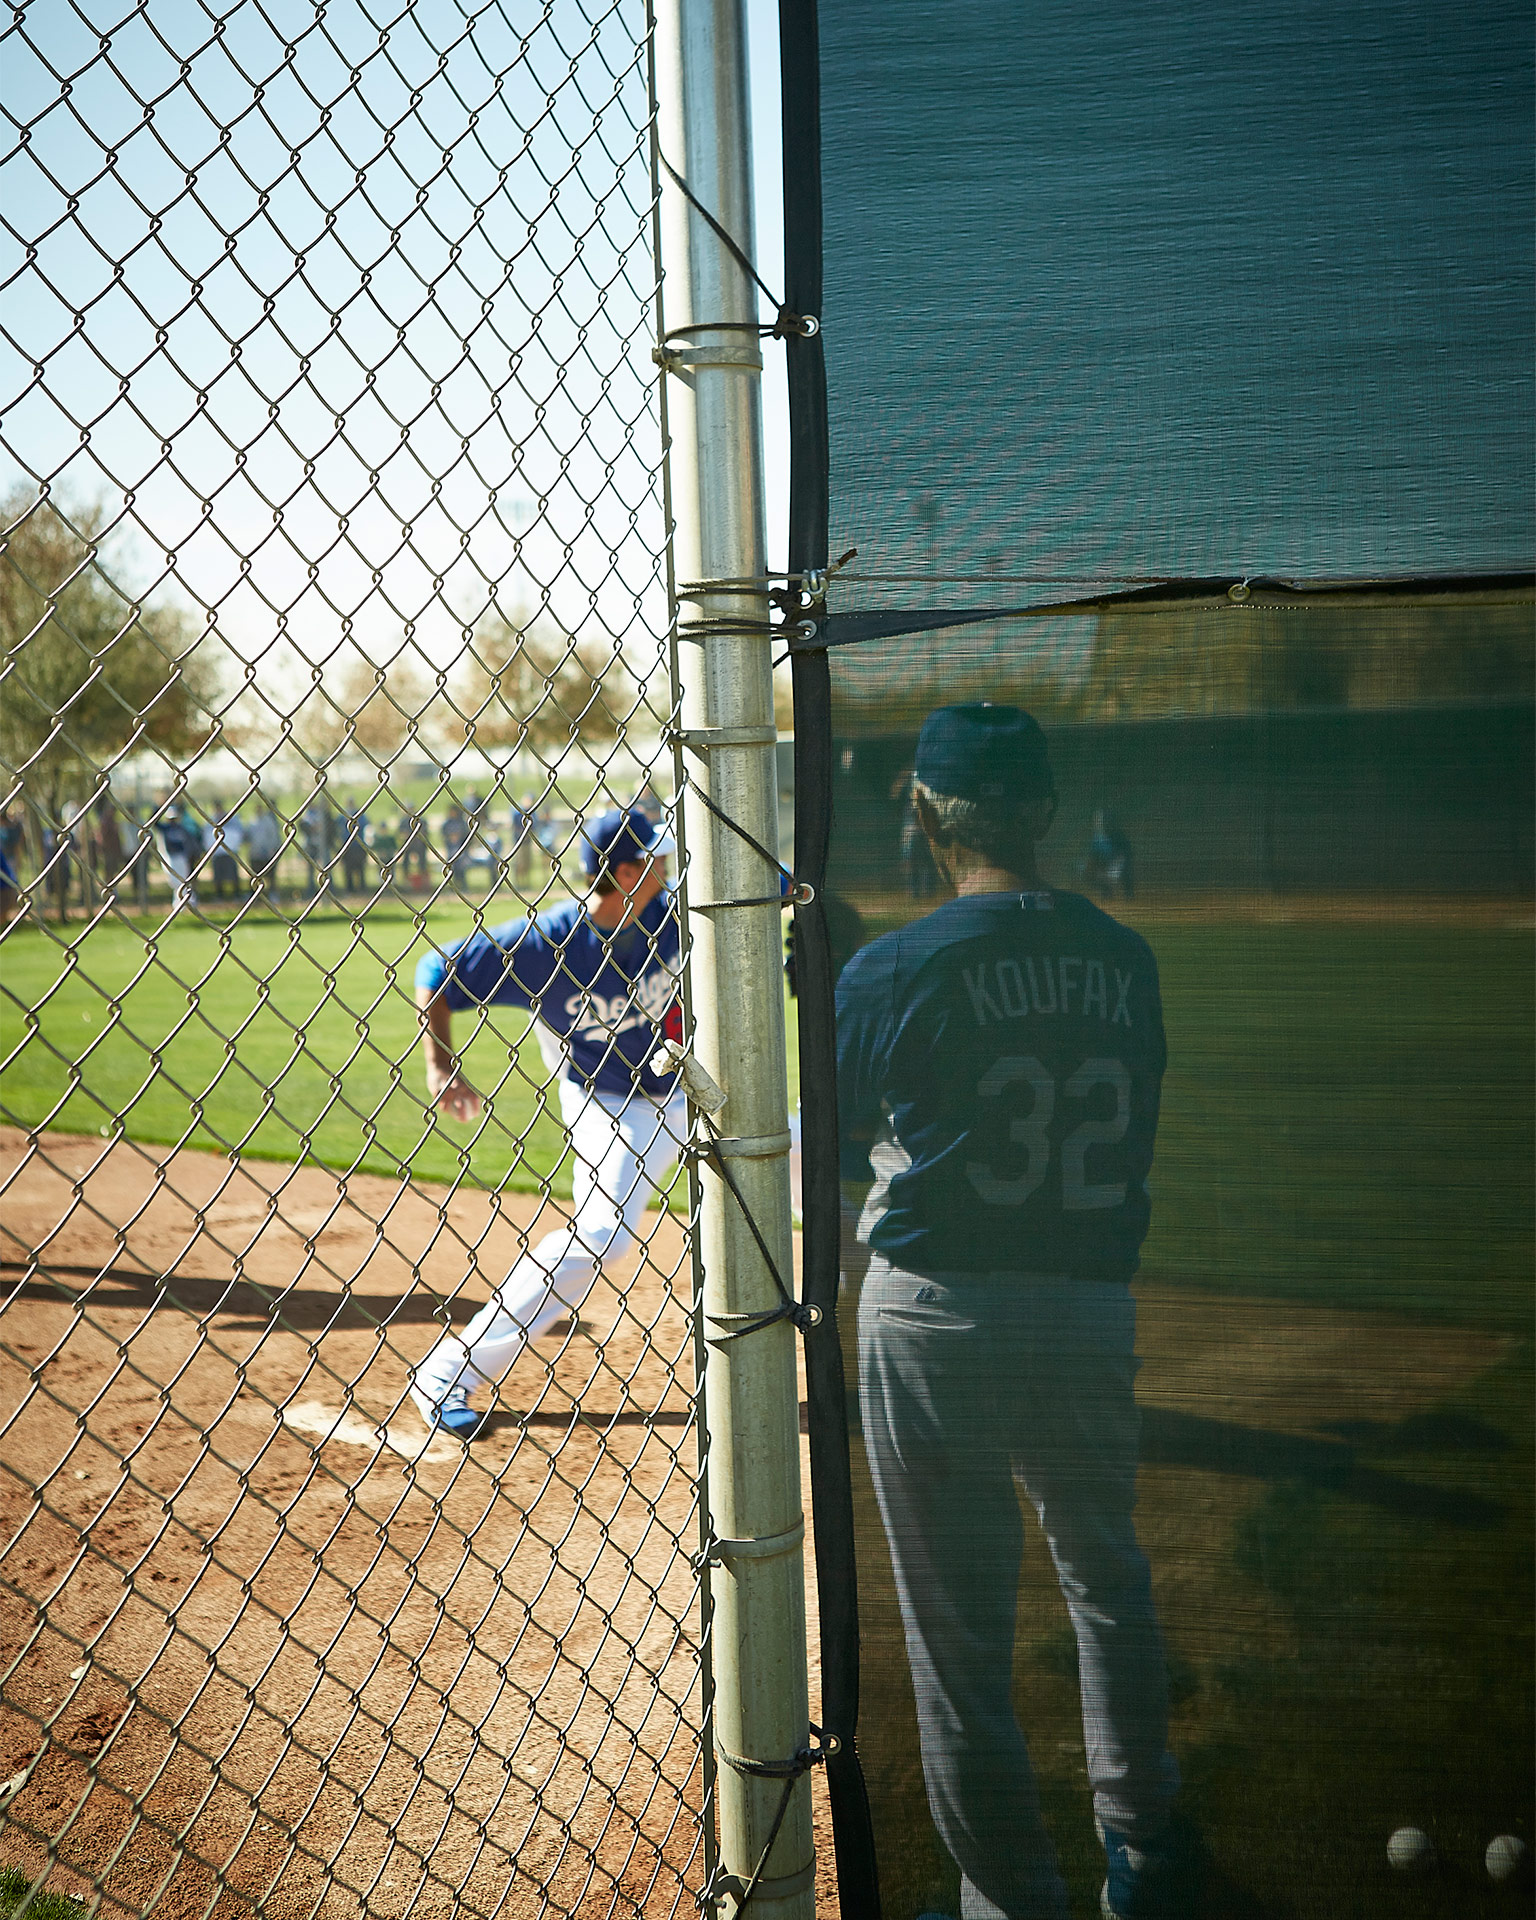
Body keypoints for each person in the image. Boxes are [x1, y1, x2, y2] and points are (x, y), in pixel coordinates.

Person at [836, 705, 1182, 1920]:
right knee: (1106, 1574)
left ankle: (1010, 1902)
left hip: (940, 1313)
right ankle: (1144, 1852)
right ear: (1043, 811)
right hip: (1088, 1305)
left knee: (960, 1634)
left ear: (923, 811)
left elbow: (833, 1163)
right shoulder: (1126, 958)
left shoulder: (889, 964)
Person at [409, 806, 684, 1439]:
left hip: (691, 1086)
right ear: (620, 871)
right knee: (603, 1235)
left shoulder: (675, 914)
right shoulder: (546, 943)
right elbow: (435, 971)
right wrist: (440, 1062)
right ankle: (447, 1375)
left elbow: (775, 885)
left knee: (803, 1148)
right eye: (654, 859)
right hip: (610, 1102)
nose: (667, 868)